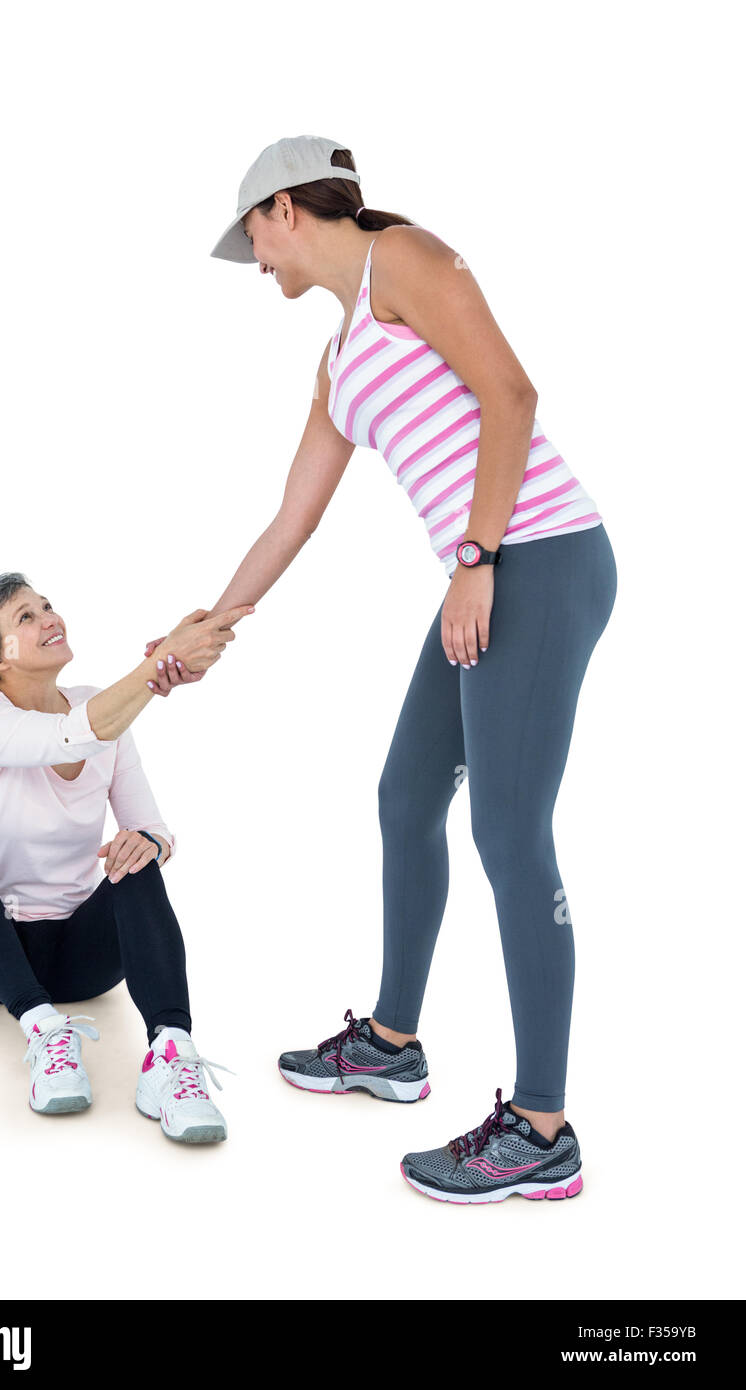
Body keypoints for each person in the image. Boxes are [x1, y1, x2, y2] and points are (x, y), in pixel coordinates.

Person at [146, 135, 617, 1201]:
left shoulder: (401, 259)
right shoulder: (336, 357)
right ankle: (393, 1042)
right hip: (489, 571)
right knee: (407, 798)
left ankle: (541, 1127)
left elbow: (511, 394)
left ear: (284, 208)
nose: (256, 261)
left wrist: (473, 559)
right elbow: (290, 519)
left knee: (506, 829)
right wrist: (203, 632)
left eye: (253, 237)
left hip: (534, 557)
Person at [0, 572, 253, 1144]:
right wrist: (160, 664)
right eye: (25, 617)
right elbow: (70, 736)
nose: (51, 617)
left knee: (137, 856)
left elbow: (155, 826)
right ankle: (45, 1030)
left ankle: (172, 1055)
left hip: (82, 958)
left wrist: (150, 843)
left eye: (47, 605)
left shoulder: (101, 710)